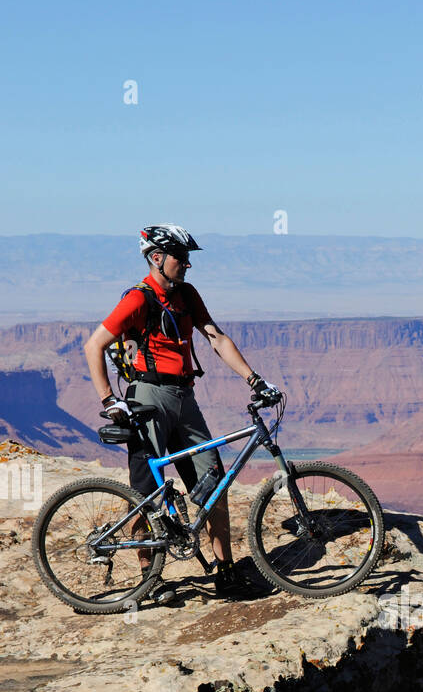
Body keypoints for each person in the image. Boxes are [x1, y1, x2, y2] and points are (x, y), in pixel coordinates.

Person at [83, 224, 279, 602]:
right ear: (157, 258)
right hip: (148, 397)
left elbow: (216, 336)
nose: (187, 264)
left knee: (213, 481)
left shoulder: (187, 294)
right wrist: (109, 399)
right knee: (146, 491)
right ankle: (148, 579)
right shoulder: (139, 298)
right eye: (181, 257)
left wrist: (255, 380)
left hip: (184, 397)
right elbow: (95, 345)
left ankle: (226, 572)